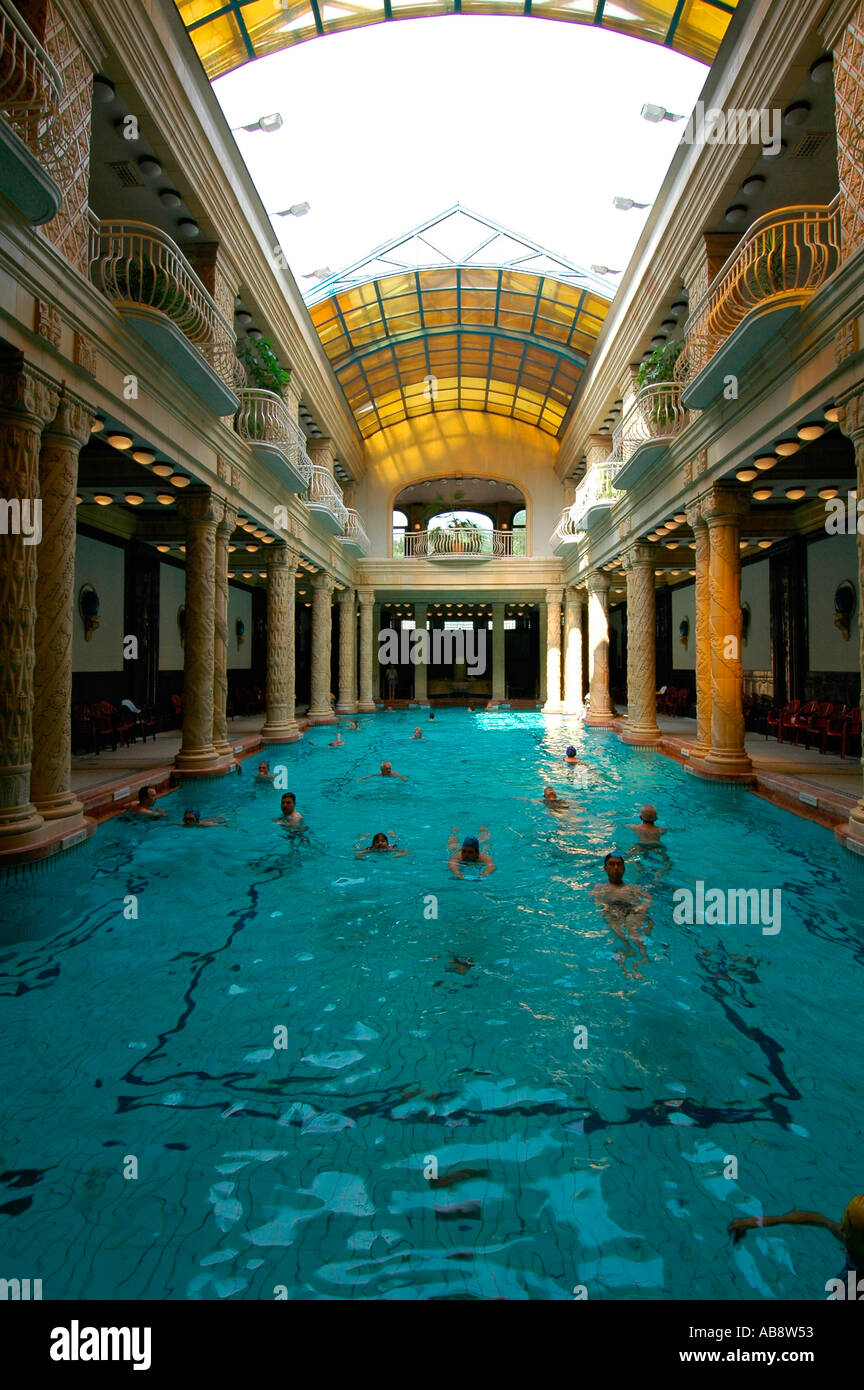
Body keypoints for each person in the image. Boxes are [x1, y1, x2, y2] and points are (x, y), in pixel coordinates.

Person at [728, 1195, 864, 1293]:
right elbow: (820, 1220)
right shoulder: (855, 1242)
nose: (840, 1229)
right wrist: (765, 1221)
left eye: (847, 1229)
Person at [590, 852, 653, 974]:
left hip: (632, 911)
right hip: (612, 912)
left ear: (624, 868)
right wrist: (604, 907)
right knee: (618, 931)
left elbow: (648, 899)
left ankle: (642, 958)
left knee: (635, 933)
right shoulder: (600, 887)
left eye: (618, 865)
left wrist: (642, 907)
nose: (615, 868)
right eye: (611, 864)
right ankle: (627, 954)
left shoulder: (633, 888)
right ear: (605, 868)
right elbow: (596, 901)